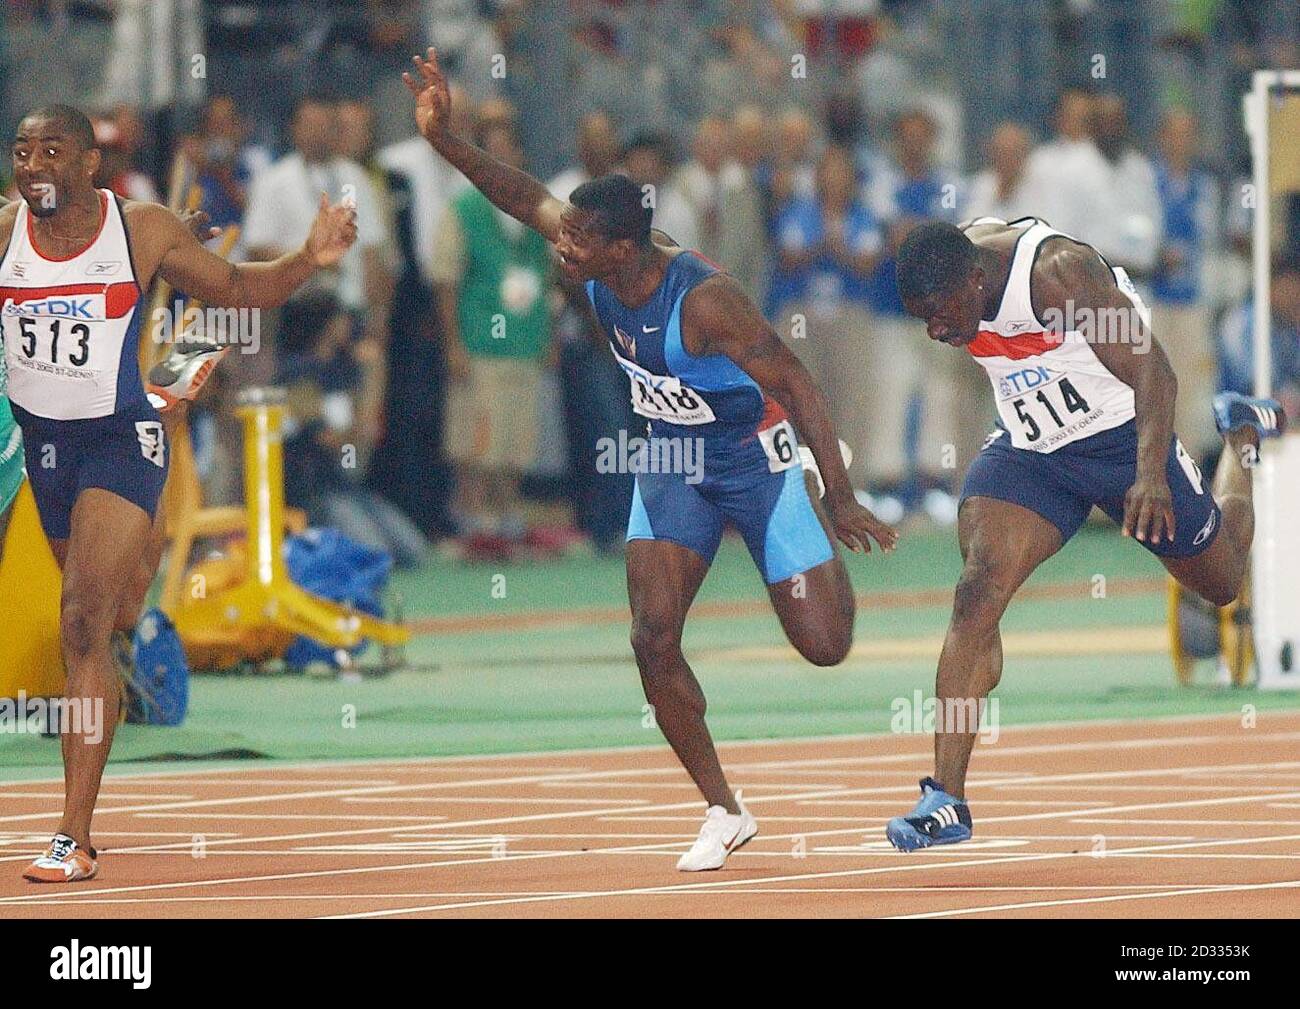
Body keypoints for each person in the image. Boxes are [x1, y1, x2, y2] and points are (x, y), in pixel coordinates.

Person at [404, 48, 897, 870]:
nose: (564, 249)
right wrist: (445, 138)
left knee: (825, 644)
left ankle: (806, 511)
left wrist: (837, 493)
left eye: (582, 243)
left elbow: (799, 382)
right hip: (671, 461)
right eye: (568, 236)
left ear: (627, 250)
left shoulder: (705, 302)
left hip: (755, 460)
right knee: (651, 635)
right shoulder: (585, 244)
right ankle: (722, 806)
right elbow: (521, 191)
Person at [1, 104, 357, 883]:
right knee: (112, 617)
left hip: (120, 441)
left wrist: (308, 258)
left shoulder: (142, 230)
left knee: (82, 623)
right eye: (21, 151)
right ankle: (133, 592)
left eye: (50, 150)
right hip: (46, 451)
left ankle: (72, 834)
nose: (32, 166)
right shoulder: (5, 233)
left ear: (88, 165)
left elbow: (233, 287)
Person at [885, 217, 1287, 851]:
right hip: (1033, 449)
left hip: (1125, 438)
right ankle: (946, 798)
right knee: (976, 596)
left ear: (975, 277)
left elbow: (1156, 375)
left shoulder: (1058, 276)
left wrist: (1151, 474)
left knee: (1223, 581)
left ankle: (1240, 440)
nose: (936, 331)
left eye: (941, 314)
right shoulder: (952, 261)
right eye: (922, 320)